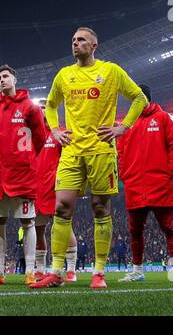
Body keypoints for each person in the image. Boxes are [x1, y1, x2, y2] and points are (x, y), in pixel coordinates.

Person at [32, 27, 147, 290]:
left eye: (81, 39)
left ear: (94, 44)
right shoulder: (65, 75)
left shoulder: (111, 71)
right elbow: (50, 105)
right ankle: (57, 271)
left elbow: (138, 98)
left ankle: (99, 272)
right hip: (72, 151)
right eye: (72, 40)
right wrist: (55, 130)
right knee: (61, 208)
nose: (75, 43)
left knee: (99, 209)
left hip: (101, 150)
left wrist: (122, 127)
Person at [0, 64, 50, 285]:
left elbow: (40, 139)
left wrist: (25, 158)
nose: (2, 80)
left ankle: (30, 271)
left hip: (22, 174)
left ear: (15, 79)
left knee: (27, 222)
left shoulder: (31, 107)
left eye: (6, 76)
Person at [116, 86, 173, 283]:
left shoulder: (163, 118)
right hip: (134, 186)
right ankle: (137, 271)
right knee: (135, 231)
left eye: (135, 97)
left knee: (170, 228)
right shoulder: (126, 125)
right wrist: (126, 176)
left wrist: (168, 173)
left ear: (143, 97)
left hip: (159, 184)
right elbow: (120, 153)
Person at [31, 124, 76, 283]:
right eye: (40, 107)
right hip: (37, 188)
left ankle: (71, 270)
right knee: (38, 229)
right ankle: (40, 270)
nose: (42, 110)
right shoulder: (31, 133)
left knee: (64, 226)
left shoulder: (61, 133)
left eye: (45, 106)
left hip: (55, 186)